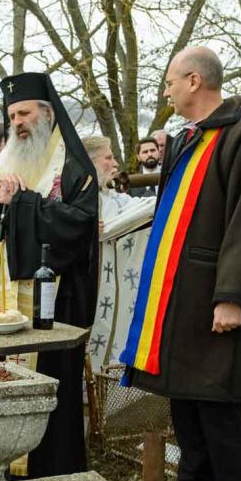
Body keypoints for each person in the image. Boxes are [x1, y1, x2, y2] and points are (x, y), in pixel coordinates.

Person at [121, 47, 241, 481]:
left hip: (216, 291)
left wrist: (231, 296)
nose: (166, 89)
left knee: (216, 399)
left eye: (171, 81)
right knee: (183, 394)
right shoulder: (186, 139)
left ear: (194, 81)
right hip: (178, 292)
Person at [0, 72, 98, 478]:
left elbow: (80, 228)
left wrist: (23, 203)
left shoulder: (72, 167)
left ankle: (46, 471)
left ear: (47, 114)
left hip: (48, 307)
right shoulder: (1, 164)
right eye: (11, 115)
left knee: (48, 392)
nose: (17, 122)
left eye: (24, 113)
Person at [82, 135, 156, 372]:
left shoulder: (111, 196)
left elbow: (141, 208)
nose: (115, 164)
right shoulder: (82, 199)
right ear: (90, 162)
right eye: (108, 157)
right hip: (90, 287)